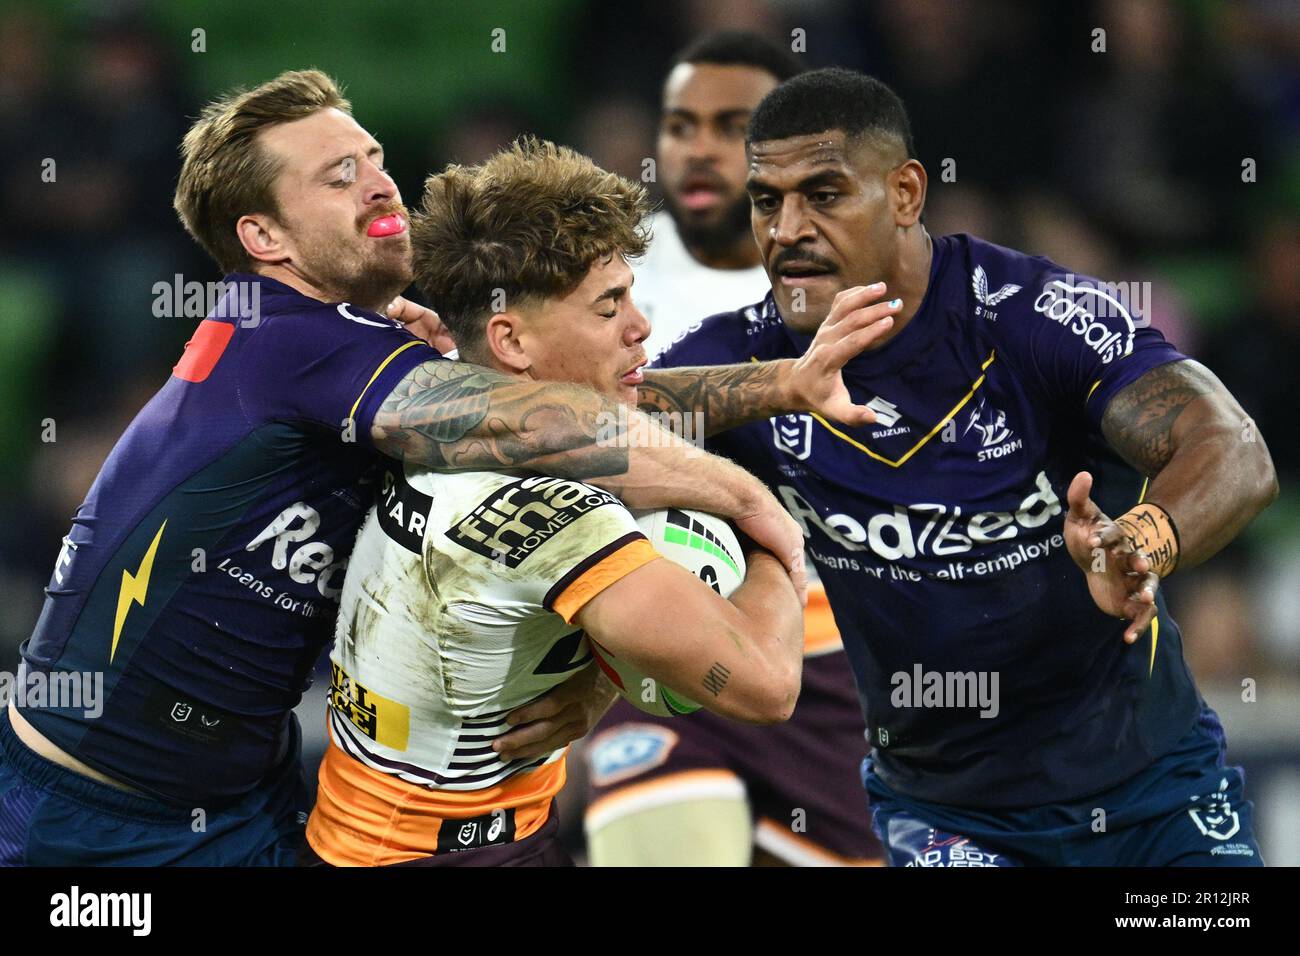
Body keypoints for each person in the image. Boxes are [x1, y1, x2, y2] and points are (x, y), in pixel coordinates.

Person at [0, 70, 892, 866]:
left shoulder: (361, 353)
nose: (379, 183)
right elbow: (547, 422)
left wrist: (783, 381)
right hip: (92, 814)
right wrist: (748, 500)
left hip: (247, 798)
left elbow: (564, 403)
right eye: (336, 175)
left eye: (374, 156)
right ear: (264, 237)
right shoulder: (278, 336)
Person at [644, 67, 1278, 866]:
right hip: (948, 819)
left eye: (825, 194)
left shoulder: (1034, 316)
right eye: (768, 200)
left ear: (907, 193)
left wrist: (1142, 540)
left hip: (1153, 789)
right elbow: (580, 431)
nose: (787, 229)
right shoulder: (741, 364)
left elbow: (1235, 450)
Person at [303, 138, 855, 866]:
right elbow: (767, 684)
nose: (641, 327)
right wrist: (772, 545)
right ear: (512, 339)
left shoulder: (428, 395)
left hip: (363, 827)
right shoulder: (553, 518)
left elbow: (626, 409)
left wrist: (785, 383)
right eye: (608, 308)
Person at [585, 33, 882, 867]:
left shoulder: (852, 283)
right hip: (655, 629)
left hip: (824, 658)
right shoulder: (602, 277)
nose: (701, 148)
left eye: (732, 125)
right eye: (681, 125)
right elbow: (544, 429)